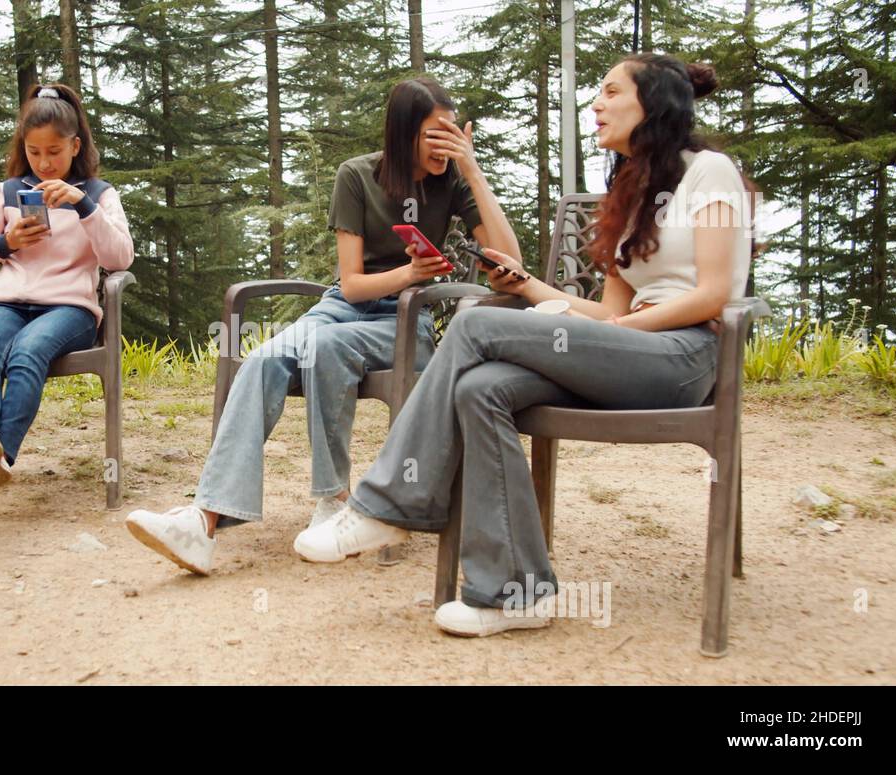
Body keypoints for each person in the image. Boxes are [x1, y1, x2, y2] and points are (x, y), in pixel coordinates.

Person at [290, 54, 753, 638]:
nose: (597, 104)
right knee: (482, 388)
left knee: (475, 325)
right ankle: (516, 593)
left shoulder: (709, 171)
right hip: (623, 352)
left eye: (611, 92)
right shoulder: (632, 189)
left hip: (683, 360)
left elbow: (714, 294)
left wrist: (615, 332)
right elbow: (608, 310)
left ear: (654, 102)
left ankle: (385, 505)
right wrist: (530, 287)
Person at [125, 76, 521, 575]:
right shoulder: (356, 176)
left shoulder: (455, 183)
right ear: (402, 134)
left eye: (452, 133)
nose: (446, 144)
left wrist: (473, 168)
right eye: (433, 134)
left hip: (406, 324)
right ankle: (202, 522)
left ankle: (334, 501)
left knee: (328, 346)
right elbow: (352, 285)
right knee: (265, 358)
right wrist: (409, 271)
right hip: (343, 307)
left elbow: (511, 258)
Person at [0, 83, 134, 508]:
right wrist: (6, 242)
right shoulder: (8, 193)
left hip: (69, 309)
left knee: (27, 352)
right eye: (34, 152)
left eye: (54, 151)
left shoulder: (98, 194)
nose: (44, 163)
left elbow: (121, 258)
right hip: (9, 302)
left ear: (75, 146)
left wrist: (84, 208)